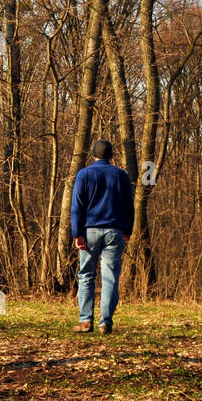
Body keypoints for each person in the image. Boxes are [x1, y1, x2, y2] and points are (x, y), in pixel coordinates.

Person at [70, 139, 134, 334]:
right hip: (115, 232)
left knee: (86, 275)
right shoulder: (121, 175)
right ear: (111, 156)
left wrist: (77, 233)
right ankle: (105, 322)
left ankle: (85, 321)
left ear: (93, 155)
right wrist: (128, 230)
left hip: (90, 232)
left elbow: (77, 207)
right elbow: (129, 205)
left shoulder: (84, 174)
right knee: (110, 278)